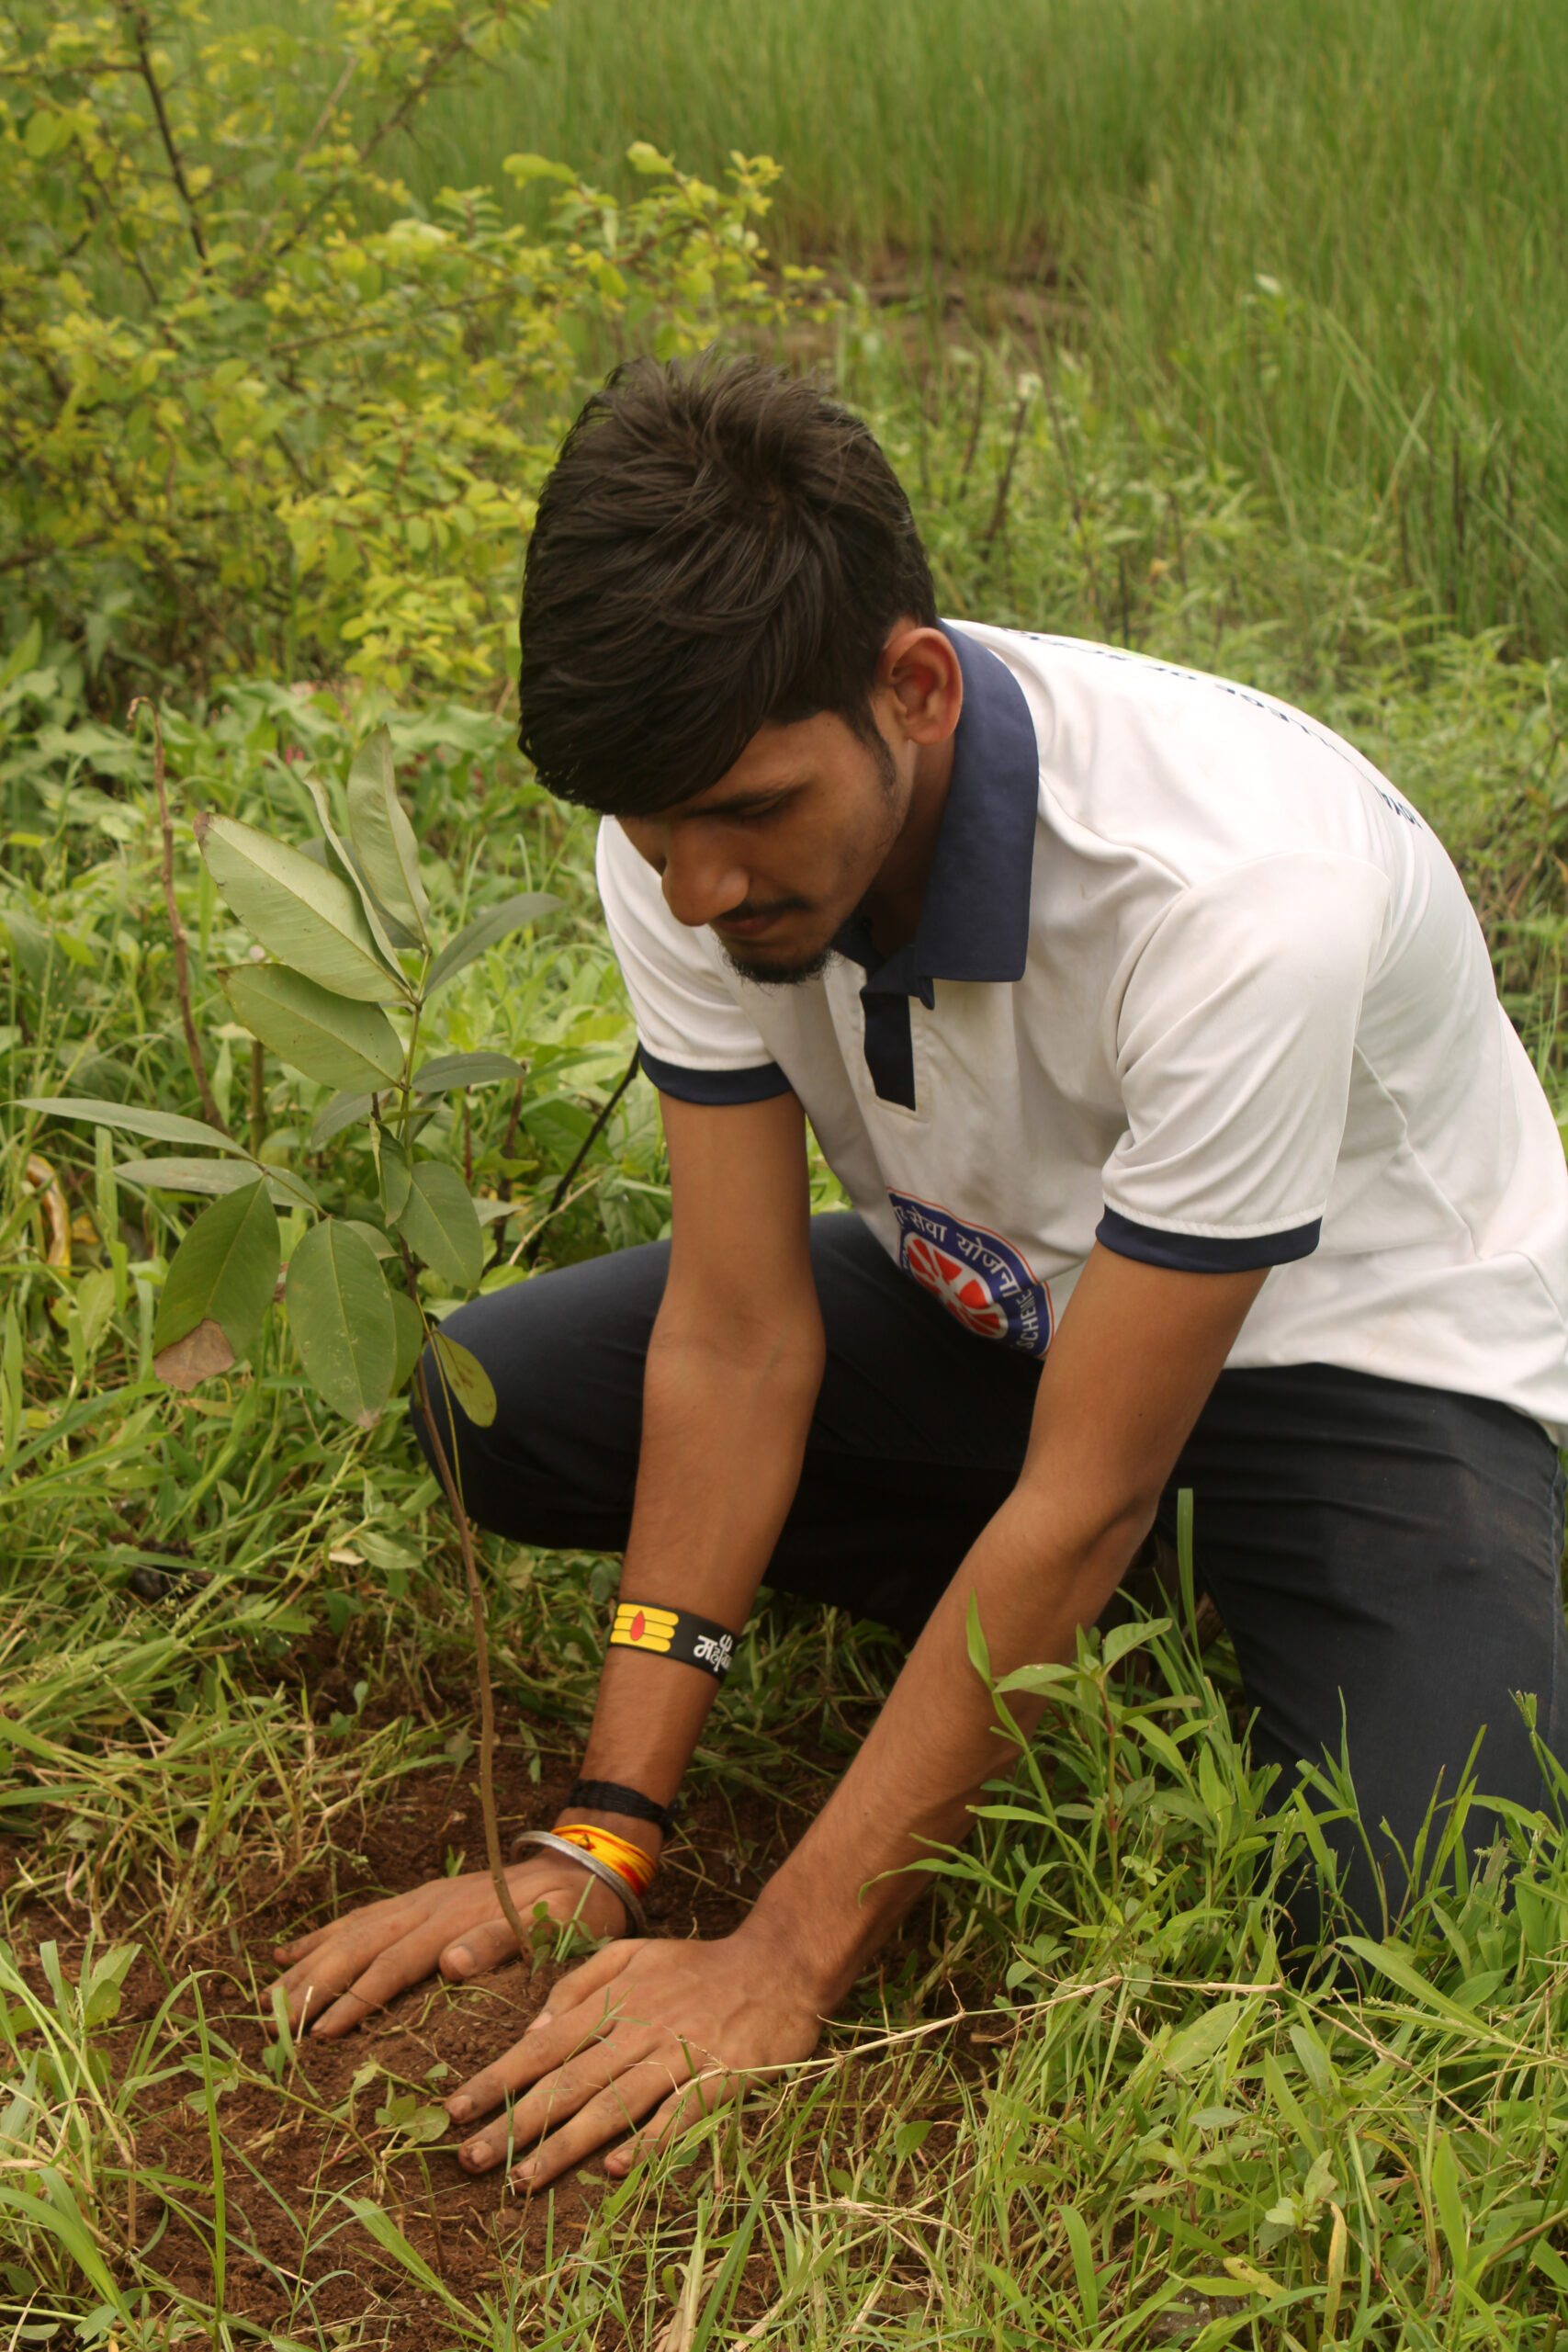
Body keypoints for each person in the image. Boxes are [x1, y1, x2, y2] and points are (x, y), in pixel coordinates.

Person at [272, 355, 1568, 2193]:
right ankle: (1070, 1633)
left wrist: (783, 1958)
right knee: (504, 1408)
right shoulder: (691, 819)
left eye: (748, 812)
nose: (703, 887)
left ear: (913, 686)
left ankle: (1197, 1610)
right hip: (1008, 1305)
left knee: (1412, 1898)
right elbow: (733, 1336)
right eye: (659, 837)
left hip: (1348, 1361)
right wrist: (603, 1835)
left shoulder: (1233, 900)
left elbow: (1087, 1479)